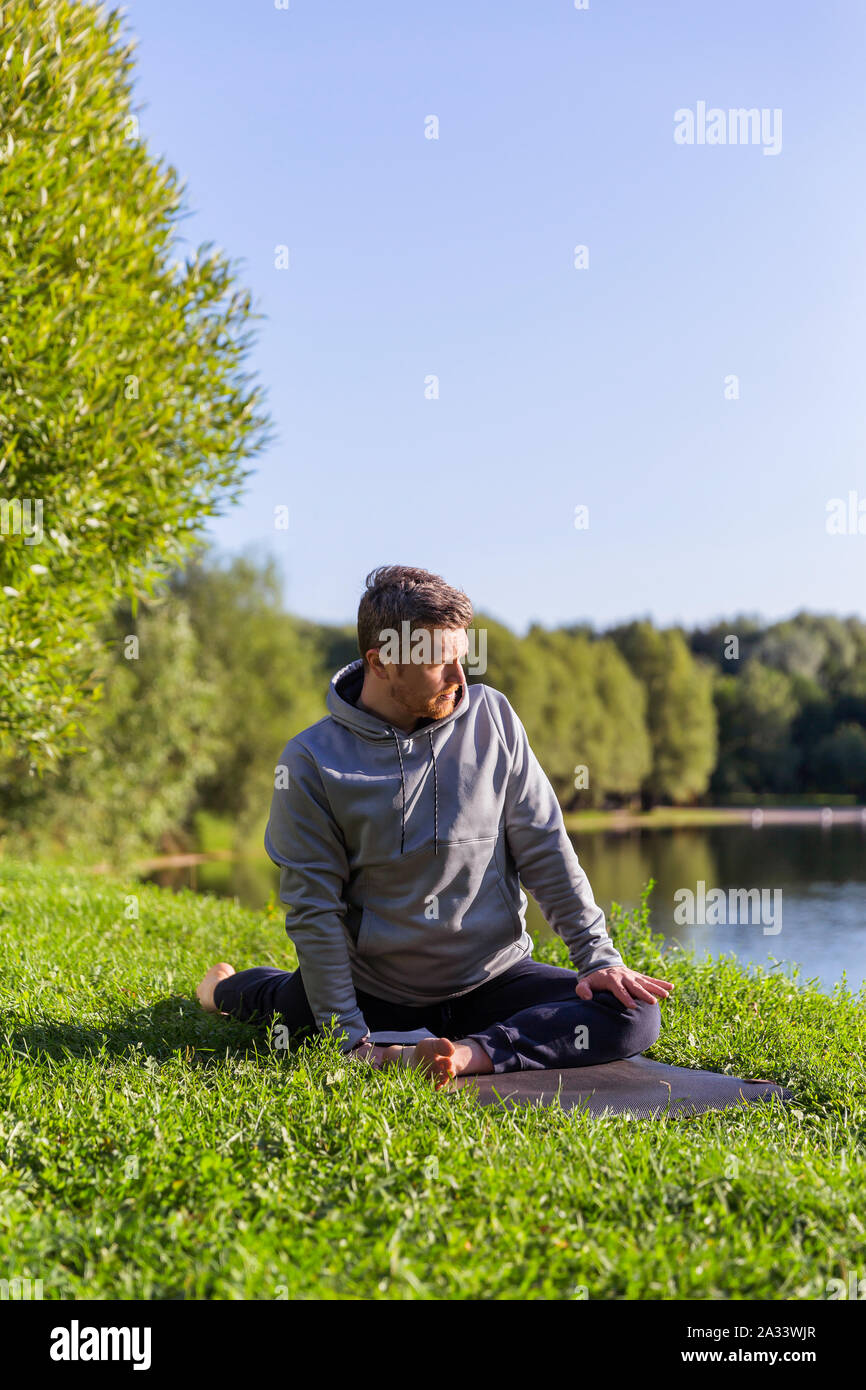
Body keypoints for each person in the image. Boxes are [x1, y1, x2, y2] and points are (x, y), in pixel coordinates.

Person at [196, 564, 672, 1089]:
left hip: (492, 980)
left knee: (630, 1012)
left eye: (461, 659)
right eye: (438, 663)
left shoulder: (494, 720)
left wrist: (597, 959)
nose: (459, 678)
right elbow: (315, 912)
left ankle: (464, 1055)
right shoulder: (310, 761)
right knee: (280, 1007)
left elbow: (544, 848)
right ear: (381, 662)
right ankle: (219, 988)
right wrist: (350, 1041)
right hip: (374, 991)